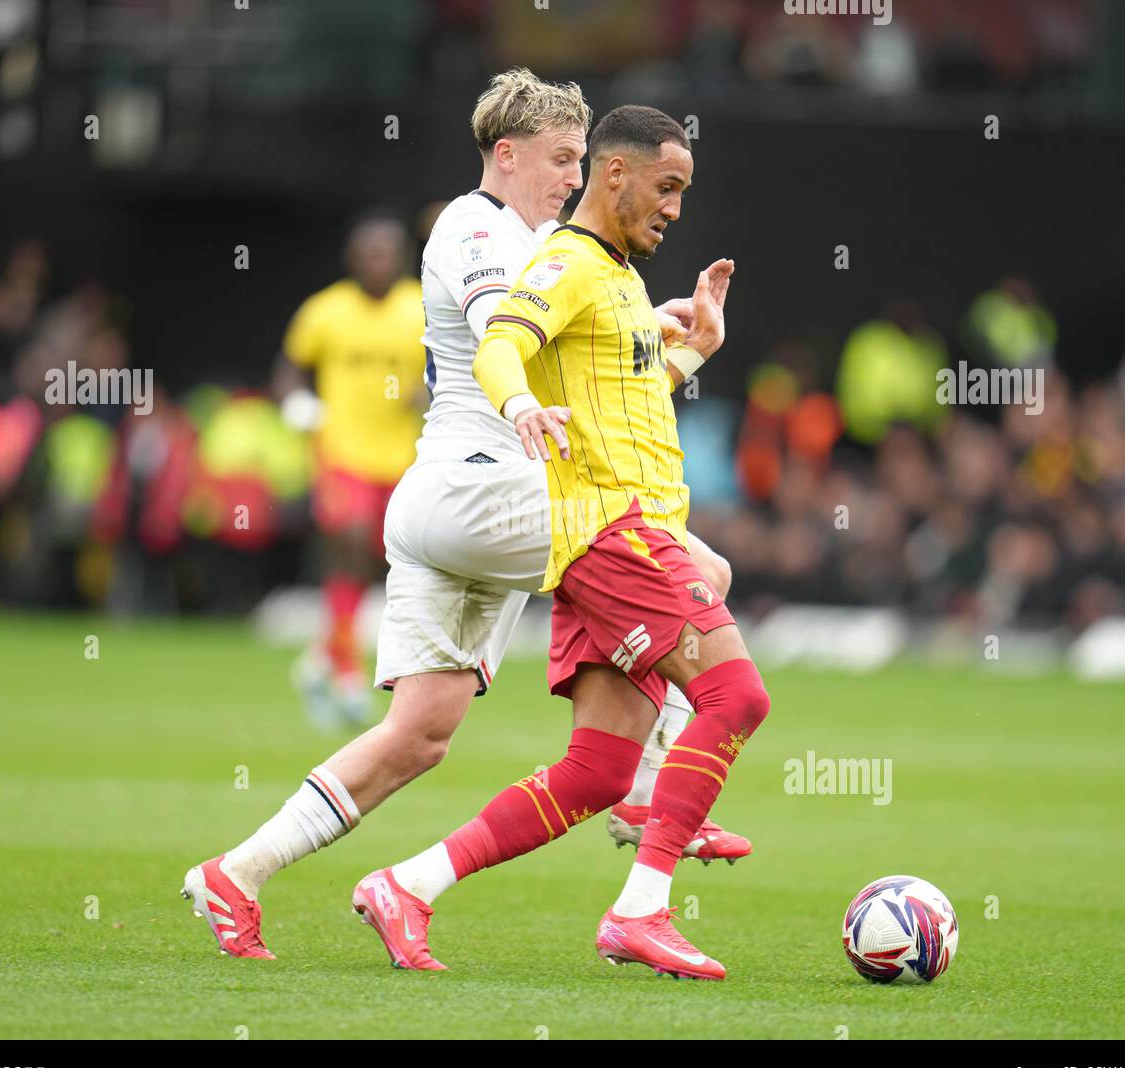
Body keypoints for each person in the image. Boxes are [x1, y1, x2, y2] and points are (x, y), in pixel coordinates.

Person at [183, 72, 746, 962]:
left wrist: (653, 344)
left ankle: (237, 873)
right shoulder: (476, 227)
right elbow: (506, 331)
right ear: (507, 154)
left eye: (582, 159)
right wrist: (563, 369)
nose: (575, 175)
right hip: (483, 486)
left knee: (419, 736)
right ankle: (648, 798)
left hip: (470, 505)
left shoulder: (565, 248)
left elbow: (604, 387)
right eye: (563, 158)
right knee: (695, 567)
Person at [356, 105, 769, 981]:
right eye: (667, 187)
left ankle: (407, 885)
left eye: (685, 193)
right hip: (616, 535)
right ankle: (641, 908)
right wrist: (516, 405)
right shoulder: (568, 263)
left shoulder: (616, 278)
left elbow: (633, 399)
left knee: (598, 771)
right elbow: (501, 343)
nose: (676, 209)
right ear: (613, 175)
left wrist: (696, 351)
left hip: (614, 535)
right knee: (735, 696)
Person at [275, 216, 427, 726]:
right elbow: (290, 365)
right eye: (369, 253)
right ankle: (348, 671)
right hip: (342, 452)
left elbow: (446, 364)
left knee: (386, 560)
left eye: (386, 253)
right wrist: (297, 400)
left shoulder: (419, 308)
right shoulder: (327, 311)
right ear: (353, 259)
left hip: (401, 456)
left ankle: (323, 655)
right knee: (351, 539)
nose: (377, 262)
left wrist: (427, 390)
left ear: (399, 257)